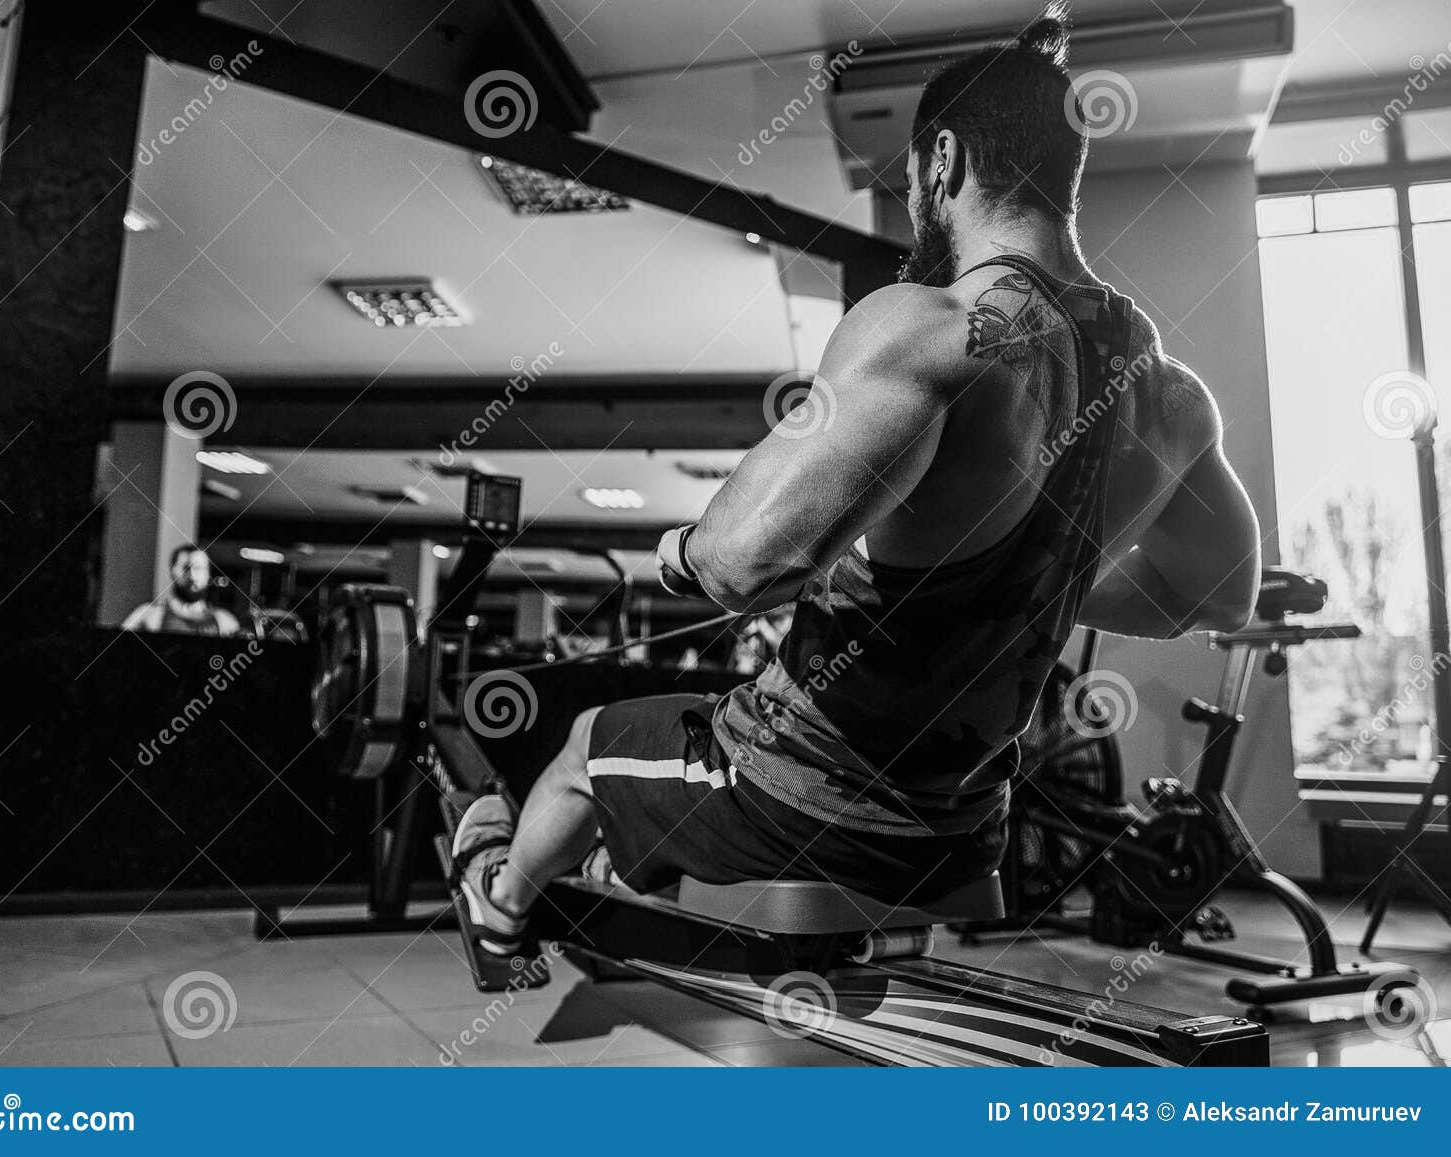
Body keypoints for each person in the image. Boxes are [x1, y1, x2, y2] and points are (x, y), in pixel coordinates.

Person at [450, 4, 1261, 955]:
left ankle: (498, 907)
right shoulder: (1169, 396)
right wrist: (1033, 586)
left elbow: (750, 561)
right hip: (965, 833)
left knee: (589, 741)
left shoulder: (933, 327)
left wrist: (677, 554)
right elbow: (1211, 595)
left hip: (794, 802)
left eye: (914, 177)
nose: (918, 198)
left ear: (945, 162)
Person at [121, 544, 240, 636]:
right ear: (172, 571)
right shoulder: (147, 615)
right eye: (186, 568)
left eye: (198, 568)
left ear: (208, 574)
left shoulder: (225, 621)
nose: (192, 576)